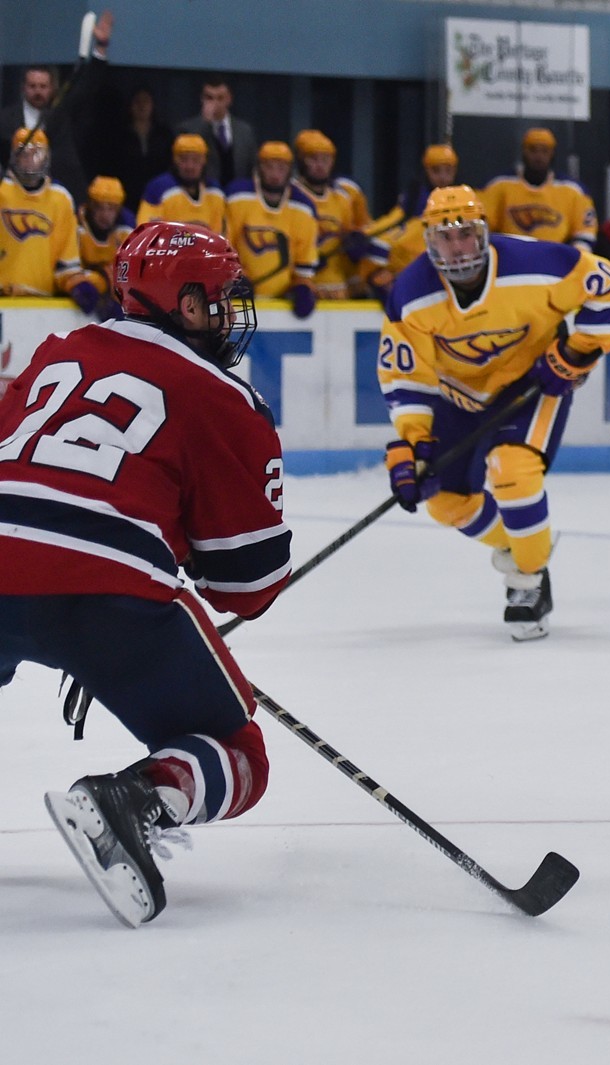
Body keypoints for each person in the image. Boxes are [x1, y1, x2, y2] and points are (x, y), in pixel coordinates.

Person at [0, 220, 290, 926]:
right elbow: (249, 584)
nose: (226, 315)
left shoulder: (55, 353)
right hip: (110, 587)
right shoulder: (222, 394)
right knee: (239, 752)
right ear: (184, 304)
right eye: (217, 298)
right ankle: (140, 798)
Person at [376, 186, 610, 639]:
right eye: (445, 238)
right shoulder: (411, 293)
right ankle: (525, 543)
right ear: (428, 242)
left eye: (466, 235)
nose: (457, 249)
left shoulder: (537, 264)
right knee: (444, 501)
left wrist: (575, 352)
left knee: (512, 471)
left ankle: (528, 582)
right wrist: (412, 441)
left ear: (485, 233)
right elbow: (406, 375)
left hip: (534, 383)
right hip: (458, 395)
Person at [0, 11, 113, 204]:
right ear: (23, 88)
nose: (38, 91)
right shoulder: (5, 120)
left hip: (61, 195)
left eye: (43, 86)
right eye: (33, 86)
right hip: (15, 199)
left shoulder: (61, 113)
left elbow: (87, 87)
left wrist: (100, 47)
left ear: (52, 88)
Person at [0, 129, 97, 312]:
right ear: (13, 157)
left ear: (47, 156)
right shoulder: (2, 191)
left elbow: (66, 263)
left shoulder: (60, 199)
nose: (31, 160)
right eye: (24, 153)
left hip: (41, 305)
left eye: (37, 153)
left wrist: (76, 283)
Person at [223, 141, 318, 318]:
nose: (275, 174)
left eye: (281, 168)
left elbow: (305, 261)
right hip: (238, 301)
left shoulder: (303, 207)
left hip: (282, 305)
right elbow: (224, 245)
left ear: (290, 170)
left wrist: (302, 286)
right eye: (269, 166)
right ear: (259, 167)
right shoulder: (237, 196)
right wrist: (235, 278)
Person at [359, 144, 462, 302]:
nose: (443, 177)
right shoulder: (414, 202)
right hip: (414, 284)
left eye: (448, 171)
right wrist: (362, 237)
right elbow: (389, 227)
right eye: (436, 170)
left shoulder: (464, 203)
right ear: (426, 171)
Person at [481, 127, 596, 250]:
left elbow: (586, 234)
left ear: (552, 154)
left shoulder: (573, 190)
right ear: (524, 152)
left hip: (556, 260)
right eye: (533, 150)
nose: (538, 156)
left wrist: (569, 260)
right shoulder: (498, 185)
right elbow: (481, 228)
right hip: (511, 257)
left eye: (544, 151)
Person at [291, 129, 372, 299]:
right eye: (313, 159)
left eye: (325, 159)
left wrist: (357, 241)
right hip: (304, 289)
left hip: (339, 289)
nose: (320, 165)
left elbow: (359, 230)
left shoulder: (343, 196)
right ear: (301, 160)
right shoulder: (291, 195)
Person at [175, 77, 257, 189]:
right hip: (205, 194)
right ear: (202, 99)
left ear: (229, 99)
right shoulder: (187, 129)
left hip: (236, 194)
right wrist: (205, 123)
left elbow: (251, 168)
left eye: (220, 98)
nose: (215, 103)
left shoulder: (244, 131)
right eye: (209, 98)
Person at [136, 133, 225, 232]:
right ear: (174, 160)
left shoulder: (215, 192)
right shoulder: (159, 188)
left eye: (195, 160)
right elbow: (146, 233)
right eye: (183, 159)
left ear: (204, 161)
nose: (189, 166)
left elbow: (221, 237)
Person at [76, 175, 136, 319]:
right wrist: (103, 279)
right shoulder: (75, 226)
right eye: (99, 207)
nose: (105, 215)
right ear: (90, 205)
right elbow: (69, 270)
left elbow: (132, 275)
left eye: (111, 209)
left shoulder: (127, 229)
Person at [113, 87, 173, 214]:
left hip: (158, 195)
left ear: (152, 105)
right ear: (130, 105)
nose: (142, 106)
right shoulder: (119, 135)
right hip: (127, 196)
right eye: (137, 102)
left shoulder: (164, 135)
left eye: (145, 101)